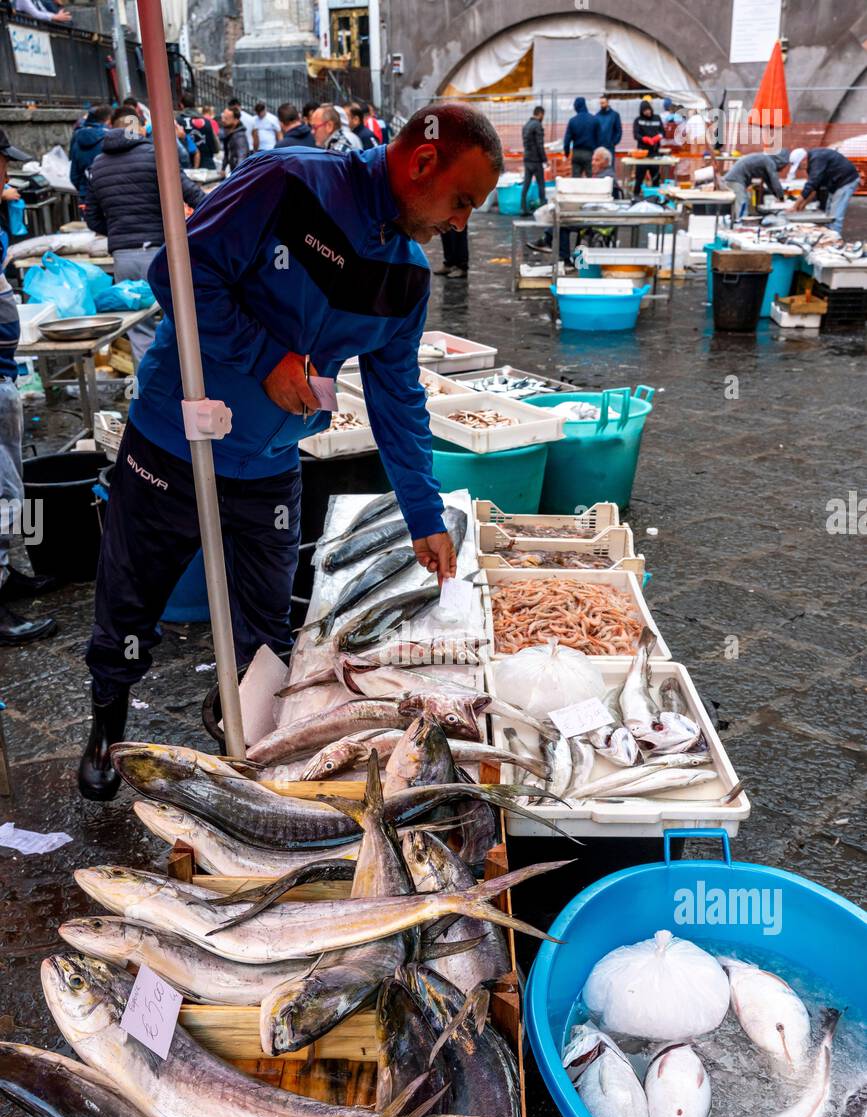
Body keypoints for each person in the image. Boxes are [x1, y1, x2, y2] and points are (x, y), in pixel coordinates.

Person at [77, 101, 502, 799]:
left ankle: (246, 720)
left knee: (267, 618)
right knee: (131, 599)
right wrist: (265, 358)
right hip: (173, 443)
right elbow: (177, 276)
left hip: (273, 463)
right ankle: (106, 721)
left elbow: (397, 398)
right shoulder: (289, 181)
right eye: (461, 201)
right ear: (422, 162)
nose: (460, 223)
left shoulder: (408, 276)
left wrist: (424, 515)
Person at [84, 108, 206, 364]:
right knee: (179, 321)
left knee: (140, 330)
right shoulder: (156, 156)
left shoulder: (98, 164)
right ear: (138, 128)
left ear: (112, 128)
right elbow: (194, 196)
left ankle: (147, 393)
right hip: (162, 254)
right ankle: (187, 387)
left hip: (123, 258)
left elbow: (92, 218)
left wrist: (119, 231)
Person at [0, 129, 57, 646]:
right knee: (0, 491)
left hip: (4, 373)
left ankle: (6, 572)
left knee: (11, 486)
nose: (7, 175)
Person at [793, 147, 861, 236]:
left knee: (835, 216)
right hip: (835, 183)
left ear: (803, 160)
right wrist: (801, 206)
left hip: (846, 181)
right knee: (828, 214)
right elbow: (813, 189)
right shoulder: (813, 162)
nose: (800, 169)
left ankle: (834, 241)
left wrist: (795, 206)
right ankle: (828, 235)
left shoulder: (817, 159)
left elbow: (811, 185)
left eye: (799, 166)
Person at [723, 148, 790, 220]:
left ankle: (736, 221)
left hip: (733, 179)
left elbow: (769, 182)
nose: (783, 168)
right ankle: (740, 225)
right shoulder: (769, 162)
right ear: (781, 160)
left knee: (740, 203)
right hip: (735, 180)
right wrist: (781, 198)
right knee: (742, 204)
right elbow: (775, 181)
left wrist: (777, 195)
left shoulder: (766, 159)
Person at [69, 105, 111, 206]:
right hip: (107, 194)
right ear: (107, 120)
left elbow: (74, 175)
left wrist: (83, 189)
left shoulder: (77, 138)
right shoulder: (110, 138)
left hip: (86, 195)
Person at [177, 91, 220, 171]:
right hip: (208, 167)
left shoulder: (178, 122)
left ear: (182, 105)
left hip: (188, 169)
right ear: (195, 104)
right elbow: (216, 148)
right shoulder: (207, 122)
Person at [632, 99, 665, 198]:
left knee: (655, 177)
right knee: (639, 177)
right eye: (645, 110)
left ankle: (657, 197)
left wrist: (657, 138)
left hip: (654, 153)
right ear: (641, 111)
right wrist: (644, 139)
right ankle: (636, 196)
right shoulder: (638, 120)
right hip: (642, 154)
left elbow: (663, 132)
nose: (647, 112)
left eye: (648, 109)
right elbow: (636, 135)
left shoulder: (657, 118)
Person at [563, 97, 600, 177]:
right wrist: (596, 153)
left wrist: (567, 153)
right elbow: (599, 138)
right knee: (591, 178)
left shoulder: (572, 121)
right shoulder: (594, 120)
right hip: (590, 153)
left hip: (576, 153)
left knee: (576, 179)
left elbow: (567, 140)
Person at [521, 105, 547, 216]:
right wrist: (544, 159)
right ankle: (543, 210)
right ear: (540, 114)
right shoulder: (537, 125)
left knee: (526, 184)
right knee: (541, 184)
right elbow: (540, 144)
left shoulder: (526, 125)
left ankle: (523, 208)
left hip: (527, 159)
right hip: (536, 160)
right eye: (543, 115)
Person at [221, 106, 250, 176]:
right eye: (223, 117)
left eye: (226, 118)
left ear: (236, 120)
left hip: (238, 175)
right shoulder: (230, 134)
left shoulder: (239, 137)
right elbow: (227, 153)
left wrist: (236, 176)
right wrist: (223, 168)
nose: (223, 120)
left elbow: (242, 158)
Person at [595, 96, 622, 162]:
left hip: (610, 147)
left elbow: (618, 131)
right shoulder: (597, 116)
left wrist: (613, 142)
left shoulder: (615, 115)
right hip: (599, 147)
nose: (602, 105)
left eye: (603, 103)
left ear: (607, 103)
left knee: (610, 167)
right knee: (599, 167)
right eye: (600, 103)